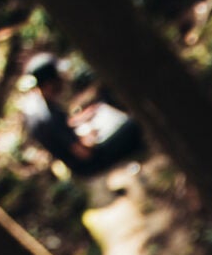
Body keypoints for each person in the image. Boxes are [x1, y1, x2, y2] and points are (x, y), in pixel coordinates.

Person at [16, 54, 145, 178]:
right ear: (50, 83)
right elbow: (84, 154)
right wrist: (91, 137)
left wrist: (83, 118)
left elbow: (61, 130)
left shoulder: (37, 106)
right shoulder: (52, 117)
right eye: (59, 77)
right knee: (135, 124)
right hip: (90, 164)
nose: (63, 80)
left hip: (78, 160)